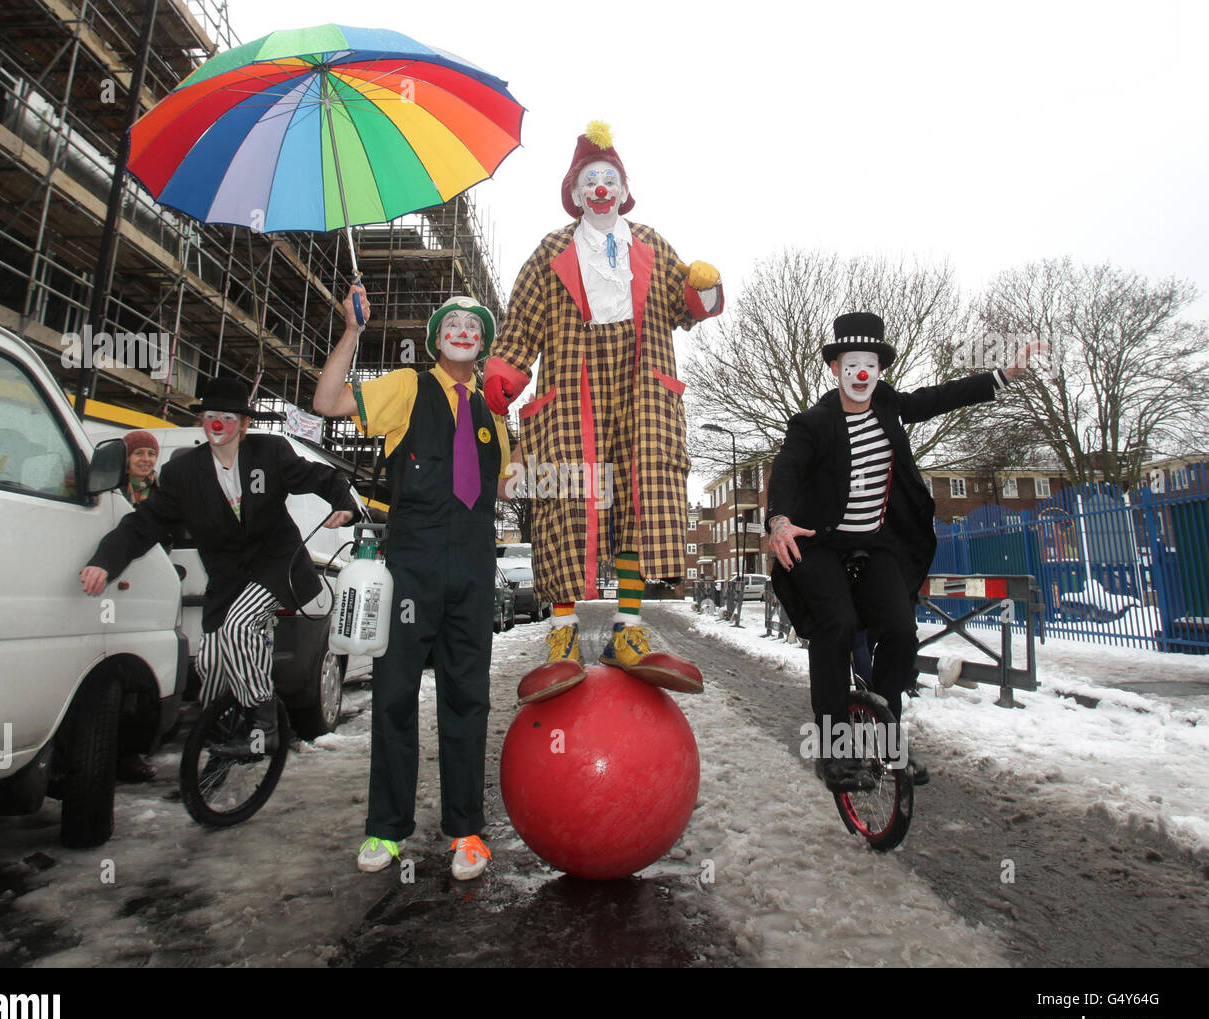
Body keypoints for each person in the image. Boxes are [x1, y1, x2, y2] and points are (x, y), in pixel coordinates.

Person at [484, 121, 724, 704]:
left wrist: (702, 288)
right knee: (567, 498)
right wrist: (504, 376)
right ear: (574, 191)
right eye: (589, 179)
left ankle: (628, 629)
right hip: (572, 384)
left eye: (608, 178)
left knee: (644, 493)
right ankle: (563, 632)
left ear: (623, 188)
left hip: (643, 384)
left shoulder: (653, 247)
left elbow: (693, 309)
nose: (599, 189)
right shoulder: (551, 252)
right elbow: (521, 322)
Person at [765, 311, 1035, 792]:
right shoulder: (813, 423)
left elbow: (939, 398)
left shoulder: (888, 405)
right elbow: (787, 469)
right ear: (835, 368)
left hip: (875, 542)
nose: (862, 374)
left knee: (901, 630)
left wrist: (1001, 375)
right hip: (818, 543)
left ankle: (884, 729)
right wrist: (780, 519)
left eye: (871, 364)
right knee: (838, 625)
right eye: (853, 364)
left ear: (880, 370)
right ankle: (832, 748)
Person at [314, 289, 511, 882]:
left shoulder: (494, 411)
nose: (461, 329)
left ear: (483, 343)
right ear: (436, 338)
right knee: (395, 695)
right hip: (413, 565)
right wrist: (351, 331)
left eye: (472, 324)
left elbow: (507, 489)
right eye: (450, 322)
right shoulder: (405, 385)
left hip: (475, 569)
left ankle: (467, 831)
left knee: (468, 698)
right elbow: (327, 401)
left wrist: (539, 420)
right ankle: (386, 827)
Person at [81, 379, 358, 756]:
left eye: (227, 417)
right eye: (210, 416)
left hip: (278, 567)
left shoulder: (270, 452)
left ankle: (265, 724)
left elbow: (324, 477)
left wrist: (342, 504)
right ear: (202, 421)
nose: (218, 424)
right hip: (227, 581)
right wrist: (104, 562)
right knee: (211, 659)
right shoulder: (183, 475)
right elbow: (143, 524)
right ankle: (219, 733)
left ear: (243, 424)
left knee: (241, 627)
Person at [115, 429, 162, 782]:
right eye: (139, 454)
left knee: (143, 677)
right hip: (113, 582)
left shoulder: (159, 494)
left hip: (148, 586)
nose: (146, 460)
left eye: (151, 454)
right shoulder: (111, 491)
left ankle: (130, 753)